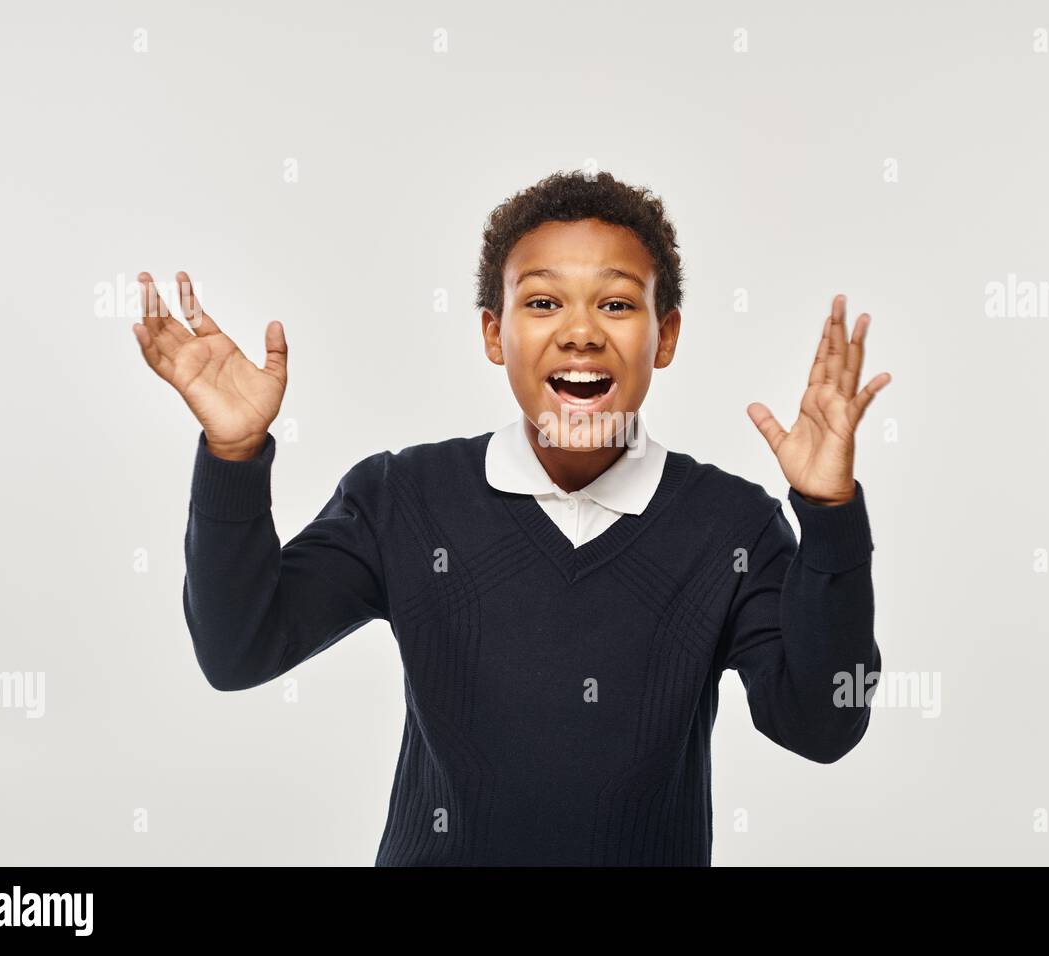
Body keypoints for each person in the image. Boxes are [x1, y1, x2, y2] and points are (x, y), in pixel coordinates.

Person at [131, 169, 892, 866]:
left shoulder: (731, 526)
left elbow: (822, 724)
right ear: (495, 334)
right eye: (543, 301)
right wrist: (233, 456)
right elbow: (237, 653)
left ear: (666, 335)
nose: (582, 330)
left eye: (618, 303)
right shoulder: (404, 497)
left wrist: (828, 517)